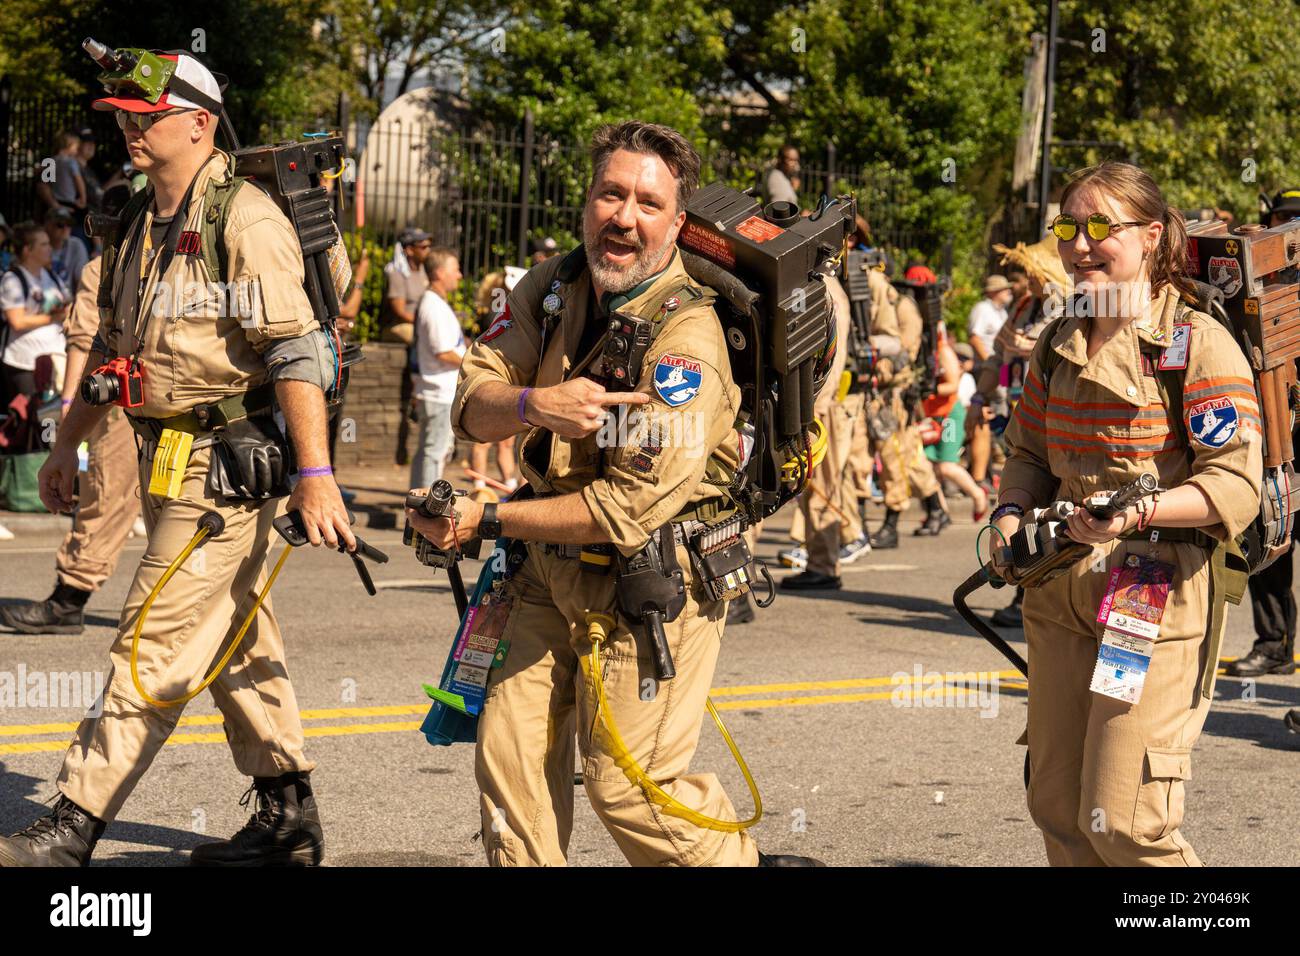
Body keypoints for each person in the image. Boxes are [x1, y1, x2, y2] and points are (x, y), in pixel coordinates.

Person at [409, 120, 817, 867]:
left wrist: (486, 520)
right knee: (510, 764)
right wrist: (537, 405)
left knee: (632, 789)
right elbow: (472, 396)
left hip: (650, 582)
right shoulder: (555, 286)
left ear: (677, 222)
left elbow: (624, 508)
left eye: (647, 203)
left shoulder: (686, 342)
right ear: (587, 200)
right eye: (611, 194)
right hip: (542, 572)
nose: (623, 218)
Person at [0, 48, 352, 868]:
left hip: (224, 469)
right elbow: (115, 357)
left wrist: (317, 475)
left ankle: (73, 821)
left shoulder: (247, 218)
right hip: (163, 457)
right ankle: (287, 816)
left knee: (150, 640)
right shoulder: (133, 222)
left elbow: (297, 352)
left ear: (198, 122)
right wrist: (65, 446)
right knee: (237, 645)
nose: (128, 127)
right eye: (122, 115)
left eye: (145, 116)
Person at [994, 161, 1261, 866]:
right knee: (1058, 808)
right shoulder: (1059, 341)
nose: (1081, 245)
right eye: (1068, 228)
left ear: (1149, 235)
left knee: (1124, 818)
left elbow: (1235, 484)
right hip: (1058, 589)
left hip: (1145, 593)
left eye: (1101, 227)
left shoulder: (1194, 343)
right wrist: (1010, 513)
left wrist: (1137, 512)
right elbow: (1027, 454)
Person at [0, 256, 140, 634]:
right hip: (165, 403)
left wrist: (68, 413)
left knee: (107, 495)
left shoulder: (109, 261)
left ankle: (69, 599)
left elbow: (84, 343)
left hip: (125, 403)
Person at [1225, 187, 1300, 680]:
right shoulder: (1258, 284)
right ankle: (1273, 644)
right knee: (1269, 537)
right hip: (1276, 433)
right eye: (1285, 219)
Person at [780, 273, 865, 591]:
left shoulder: (823, 284)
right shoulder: (808, 277)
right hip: (811, 403)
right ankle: (821, 562)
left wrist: (815, 407)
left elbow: (833, 349)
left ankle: (824, 565)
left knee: (822, 485)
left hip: (820, 407)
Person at [867, 269, 946, 547]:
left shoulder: (904, 308)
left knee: (895, 457)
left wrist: (878, 370)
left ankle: (892, 524)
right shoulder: (895, 305)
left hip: (896, 395)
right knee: (910, 457)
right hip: (890, 393)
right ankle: (936, 508)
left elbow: (904, 352)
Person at [410, 246, 466, 489]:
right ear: (440, 273)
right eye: (456, 269)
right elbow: (442, 351)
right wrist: (472, 362)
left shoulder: (435, 303)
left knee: (432, 451)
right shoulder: (432, 306)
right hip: (438, 393)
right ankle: (426, 512)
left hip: (440, 392)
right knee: (434, 452)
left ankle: (420, 506)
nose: (460, 275)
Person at [921, 323, 987, 521]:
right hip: (934, 415)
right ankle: (940, 512)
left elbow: (952, 385)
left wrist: (928, 390)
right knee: (928, 466)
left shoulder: (944, 352)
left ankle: (978, 495)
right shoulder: (925, 352)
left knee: (945, 466)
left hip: (949, 414)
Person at [1, 221, 69, 406]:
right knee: (28, 421)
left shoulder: (51, 276)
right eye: (43, 244)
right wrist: (53, 317)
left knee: (51, 420)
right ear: (27, 250)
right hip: (24, 363)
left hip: (55, 359)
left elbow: (68, 304)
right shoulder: (12, 279)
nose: (50, 248)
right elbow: (17, 321)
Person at [381, 228, 431, 345]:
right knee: (427, 338)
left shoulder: (424, 271)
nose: (428, 250)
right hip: (399, 326)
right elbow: (400, 312)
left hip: (419, 325)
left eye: (429, 246)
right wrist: (426, 323)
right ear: (409, 250)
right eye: (423, 247)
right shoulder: (397, 273)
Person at [35, 130, 87, 222]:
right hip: (69, 201)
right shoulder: (71, 162)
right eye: (76, 147)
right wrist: (83, 199)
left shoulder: (51, 161)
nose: (77, 150)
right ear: (68, 146)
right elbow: (78, 180)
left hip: (55, 200)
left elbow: (43, 179)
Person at [44, 206, 89, 290]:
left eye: (69, 223)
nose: (66, 228)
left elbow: (82, 281)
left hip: (68, 299)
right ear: (47, 225)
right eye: (60, 224)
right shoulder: (39, 246)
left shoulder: (76, 245)